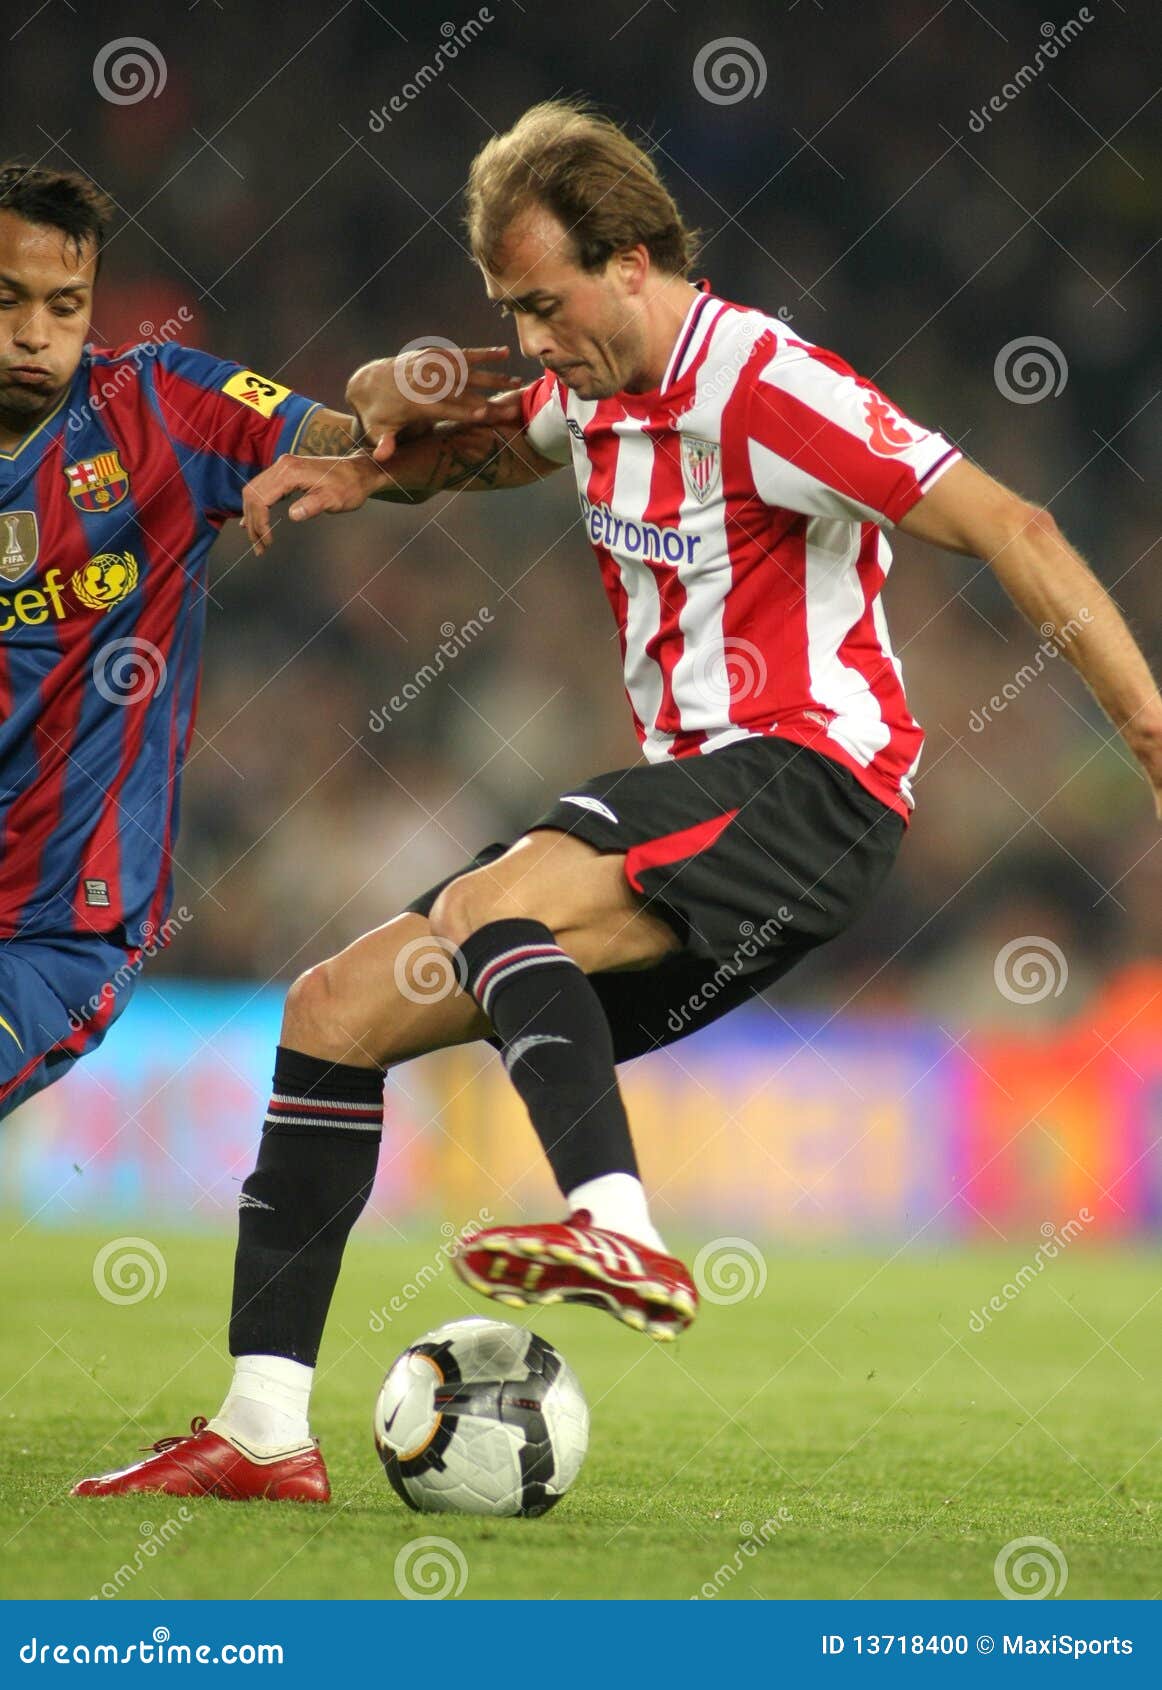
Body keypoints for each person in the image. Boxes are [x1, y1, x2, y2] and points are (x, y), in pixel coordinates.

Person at [73, 101, 1162, 1503]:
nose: (530, 338)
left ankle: (619, 1226)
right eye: (509, 310)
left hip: (810, 782)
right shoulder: (587, 383)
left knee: (492, 901)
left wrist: (1140, 717)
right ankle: (265, 1429)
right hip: (693, 814)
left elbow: (1012, 522)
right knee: (333, 1011)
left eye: (543, 302)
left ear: (635, 258)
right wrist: (364, 463)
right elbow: (491, 441)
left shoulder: (765, 382)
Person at [0, 162, 512, 1120]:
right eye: (9, 301)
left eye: (66, 304)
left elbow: (354, 451)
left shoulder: (157, 412)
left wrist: (385, 410)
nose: (37, 333)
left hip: (54, 921)